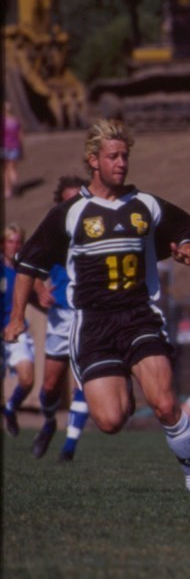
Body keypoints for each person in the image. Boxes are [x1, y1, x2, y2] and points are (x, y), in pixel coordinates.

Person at [3, 118, 190, 493]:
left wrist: (188, 249)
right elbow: (28, 264)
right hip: (93, 325)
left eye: (125, 156)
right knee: (110, 420)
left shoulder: (146, 205)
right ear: (94, 160)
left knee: (167, 404)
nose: (121, 163)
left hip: (140, 317)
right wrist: (17, 316)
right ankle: (122, 382)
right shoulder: (69, 213)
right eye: (113, 156)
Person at [30, 175, 93, 462]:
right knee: (49, 387)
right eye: (68, 201)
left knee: (84, 381)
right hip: (60, 316)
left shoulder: (96, 230)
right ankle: (49, 422)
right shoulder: (51, 234)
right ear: (58, 205)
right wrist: (39, 287)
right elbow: (26, 266)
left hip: (89, 314)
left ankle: (69, 446)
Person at [3, 223, 36, 437]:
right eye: (10, 241)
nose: (15, 246)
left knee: (27, 379)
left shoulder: (26, 271)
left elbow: (37, 294)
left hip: (16, 333)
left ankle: (10, 408)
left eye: (18, 242)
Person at [4, 102, 23, 199]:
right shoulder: (15, 121)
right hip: (15, 147)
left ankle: (7, 190)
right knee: (13, 169)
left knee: (5, 170)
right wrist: (20, 148)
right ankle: (16, 185)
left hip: (4, 148)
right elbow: (20, 136)